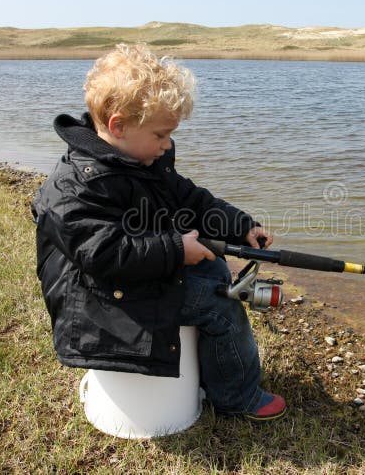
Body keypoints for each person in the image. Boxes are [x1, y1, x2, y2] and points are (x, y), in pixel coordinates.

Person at [30, 43, 286, 422]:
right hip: (96, 297)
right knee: (220, 302)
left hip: (122, 279)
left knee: (215, 270)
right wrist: (175, 250)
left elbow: (189, 200)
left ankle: (208, 375)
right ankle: (238, 396)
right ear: (118, 125)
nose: (168, 144)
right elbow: (104, 254)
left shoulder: (139, 159)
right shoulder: (77, 186)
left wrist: (241, 225)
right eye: (161, 135)